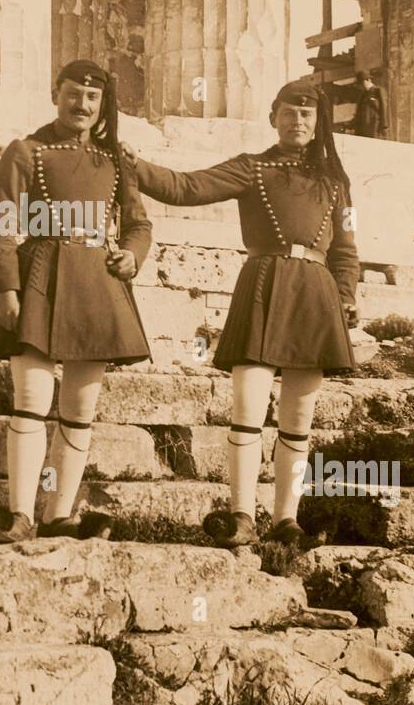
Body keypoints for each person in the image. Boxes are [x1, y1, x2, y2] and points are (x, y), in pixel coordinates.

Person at [122, 79, 360, 550]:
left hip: (315, 293)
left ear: (318, 124)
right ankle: (241, 515)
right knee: (248, 404)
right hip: (264, 285)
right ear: (273, 118)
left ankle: (286, 519)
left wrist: (348, 296)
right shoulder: (252, 168)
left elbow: (348, 248)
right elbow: (186, 187)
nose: (297, 121)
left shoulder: (336, 184)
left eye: (307, 115)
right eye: (288, 113)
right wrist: (134, 166)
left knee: (299, 413)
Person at [0, 59, 152, 544]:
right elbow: (2, 225)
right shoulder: (26, 151)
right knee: (30, 400)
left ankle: (59, 514)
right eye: (73, 94)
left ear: (102, 105)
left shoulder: (114, 159)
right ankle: (19, 516)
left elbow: (139, 224)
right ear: (57, 93)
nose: (82, 104)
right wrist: (5, 289)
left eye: (92, 98)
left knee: (80, 406)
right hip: (40, 277)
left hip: (96, 283)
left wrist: (132, 257)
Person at [352, 69, 389, 138]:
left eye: (362, 83)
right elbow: (358, 112)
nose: (361, 86)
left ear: (368, 80)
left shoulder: (378, 91)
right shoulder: (362, 95)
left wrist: (384, 126)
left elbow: (383, 108)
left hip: (373, 127)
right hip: (361, 129)